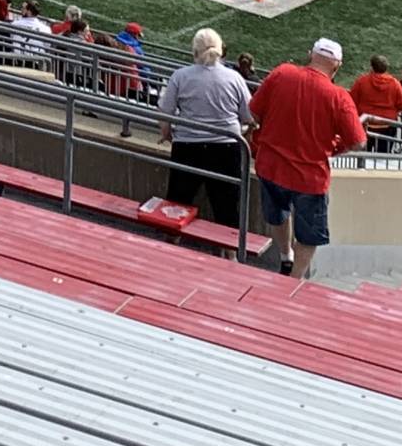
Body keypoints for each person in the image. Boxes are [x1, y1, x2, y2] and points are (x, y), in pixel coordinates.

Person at [249, 36, 368, 279]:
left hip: (270, 167)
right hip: (309, 179)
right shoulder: (338, 97)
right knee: (308, 236)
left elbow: (254, 112)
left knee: (278, 216)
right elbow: (358, 142)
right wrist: (336, 147)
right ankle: (293, 281)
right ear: (337, 66)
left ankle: (285, 258)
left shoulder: (282, 73)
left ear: (310, 55)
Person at [156, 28, 254, 226]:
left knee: (177, 202)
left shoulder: (180, 76)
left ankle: (170, 246)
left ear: (194, 51)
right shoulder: (235, 78)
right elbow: (248, 116)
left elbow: (165, 112)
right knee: (227, 206)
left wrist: (167, 133)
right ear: (220, 51)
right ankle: (229, 255)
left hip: (188, 145)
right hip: (226, 147)